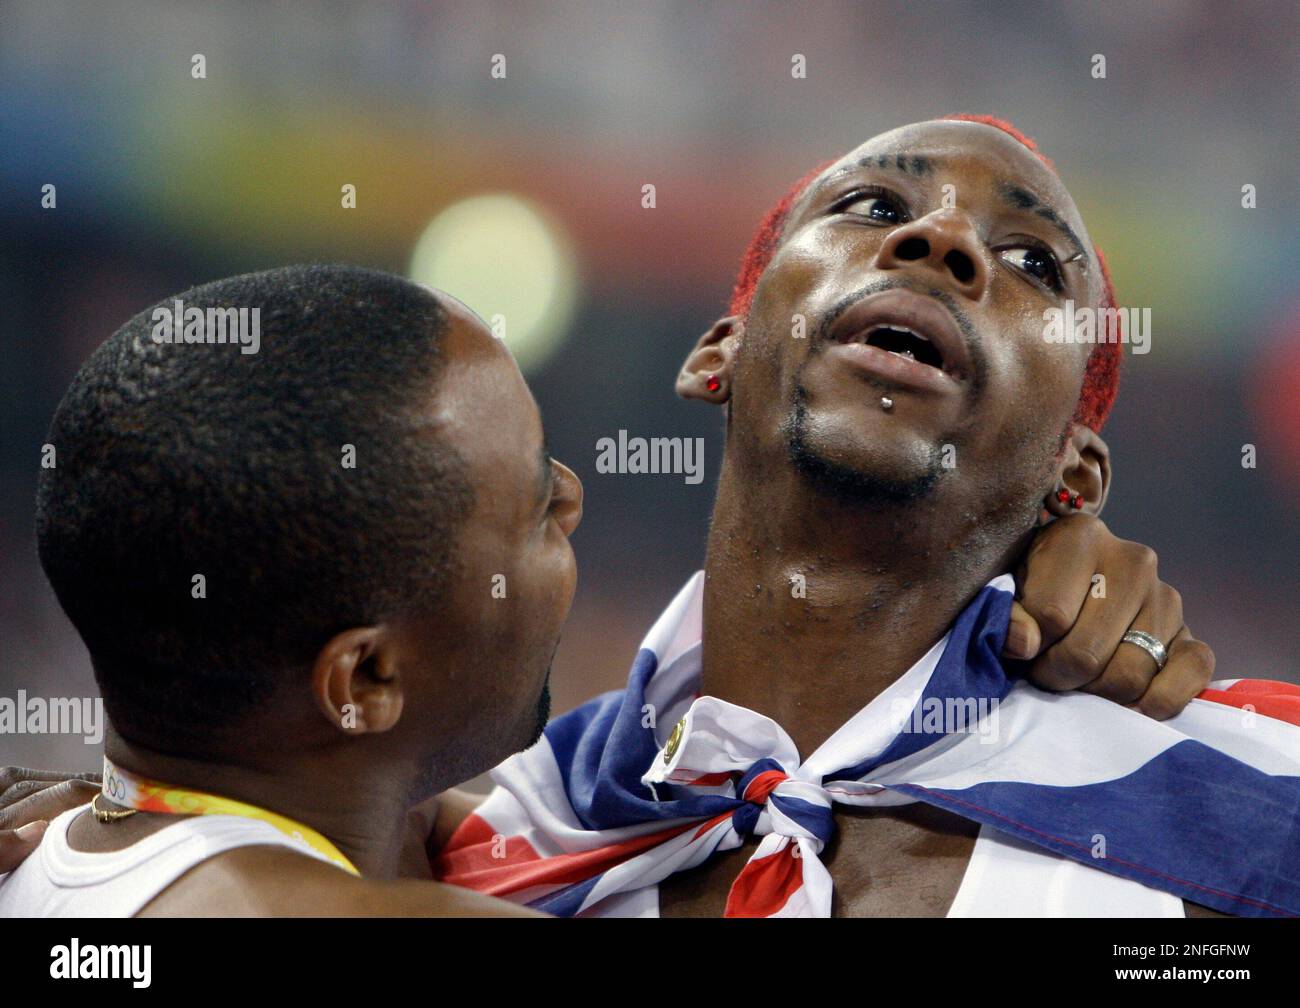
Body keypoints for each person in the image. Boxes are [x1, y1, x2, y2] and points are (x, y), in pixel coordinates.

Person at [0, 207, 1221, 916]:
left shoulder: (490, 822)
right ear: (363, 681)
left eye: (1033, 258)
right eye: (535, 510)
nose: (577, 497)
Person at [430, 117, 1300, 918]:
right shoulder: (510, 839)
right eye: (873, 205)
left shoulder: (1254, 801)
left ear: (1072, 473)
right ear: (719, 353)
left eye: (1034, 263)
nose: (944, 239)